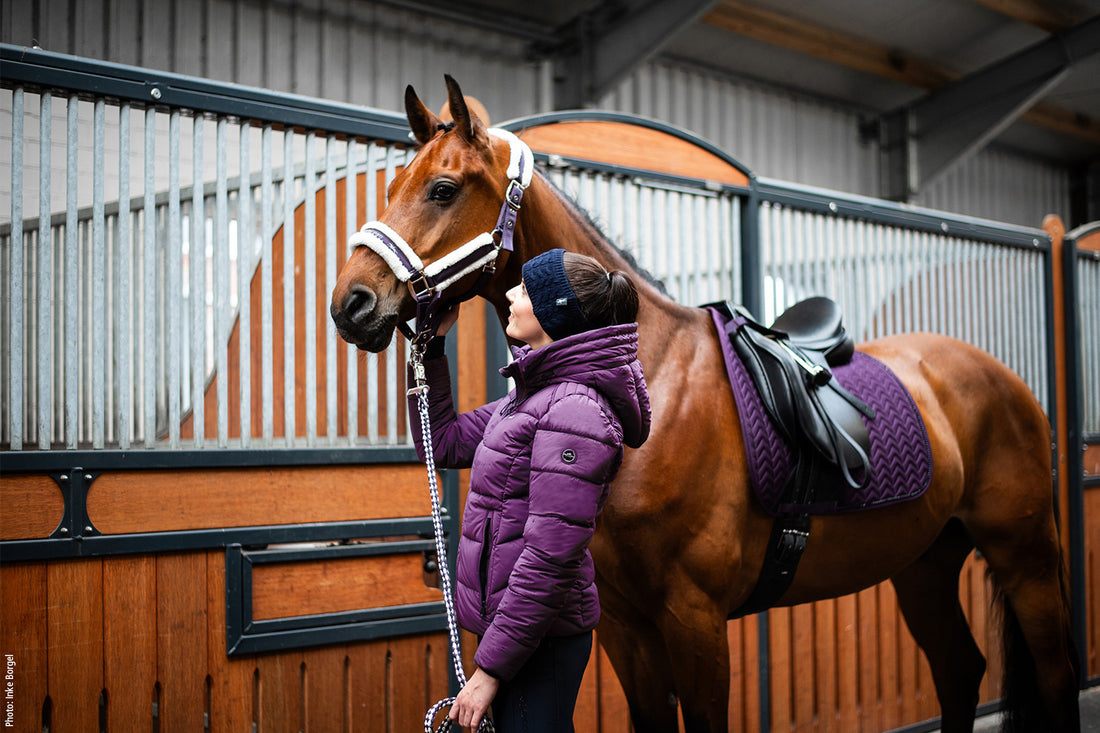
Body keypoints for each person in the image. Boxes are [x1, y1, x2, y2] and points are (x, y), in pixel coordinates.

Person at [407, 248, 651, 732]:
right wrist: (429, 348)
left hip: (541, 637)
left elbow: (549, 556)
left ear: (552, 310)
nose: (511, 295)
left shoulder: (575, 413)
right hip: (517, 629)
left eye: (523, 288)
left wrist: (491, 670)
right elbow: (444, 443)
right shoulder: (531, 397)